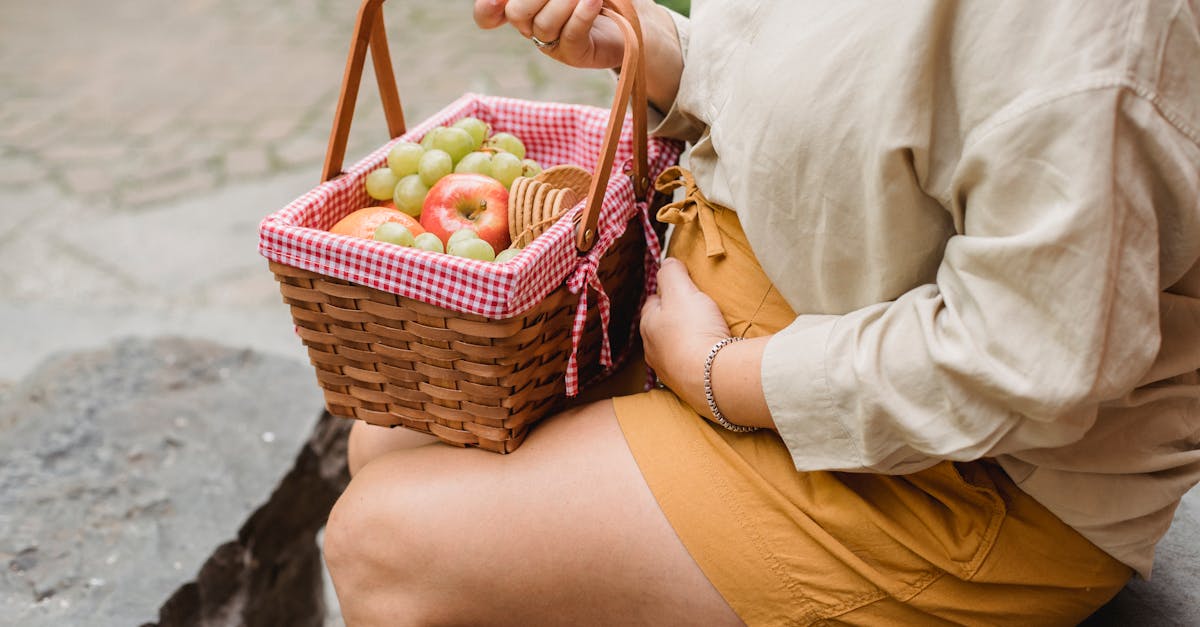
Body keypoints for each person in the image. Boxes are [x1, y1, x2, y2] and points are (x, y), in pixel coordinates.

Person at [323, 0, 1200, 624]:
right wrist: (669, 51)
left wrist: (721, 375)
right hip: (760, 310)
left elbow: (1026, 359)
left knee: (383, 549)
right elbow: (849, 79)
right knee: (391, 435)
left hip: (959, 478)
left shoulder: (1098, 36)